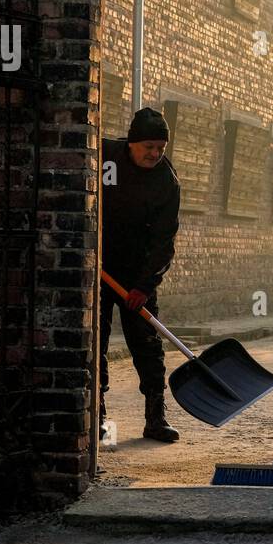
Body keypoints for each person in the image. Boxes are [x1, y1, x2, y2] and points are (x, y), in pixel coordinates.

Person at [99, 107, 181, 443]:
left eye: (160, 147)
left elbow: (165, 243)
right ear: (132, 143)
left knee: (147, 345)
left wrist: (144, 286)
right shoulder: (105, 155)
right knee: (94, 343)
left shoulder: (166, 182)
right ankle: (96, 415)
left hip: (138, 274)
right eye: (148, 146)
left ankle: (155, 416)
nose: (154, 153)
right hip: (98, 271)